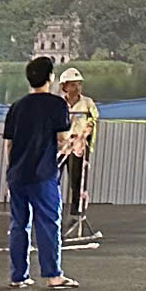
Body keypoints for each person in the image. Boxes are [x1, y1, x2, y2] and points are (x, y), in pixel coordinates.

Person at [3, 56, 76, 289]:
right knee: (48, 223)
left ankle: (19, 276)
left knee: (18, 224)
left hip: (17, 174)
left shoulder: (16, 106)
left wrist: (12, 168)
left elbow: (9, 144)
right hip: (43, 173)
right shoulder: (57, 104)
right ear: (51, 77)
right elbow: (63, 138)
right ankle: (53, 275)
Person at [58, 68, 98, 238]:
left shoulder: (87, 102)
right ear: (65, 86)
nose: (77, 88)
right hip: (60, 145)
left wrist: (87, 130)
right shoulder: (58, 103)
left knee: (77, 180)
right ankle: (53, 210)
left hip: (79, 145)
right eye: (73, 85)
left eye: (79, 84)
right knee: (53, 178)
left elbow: (94, 118)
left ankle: (76, 213)